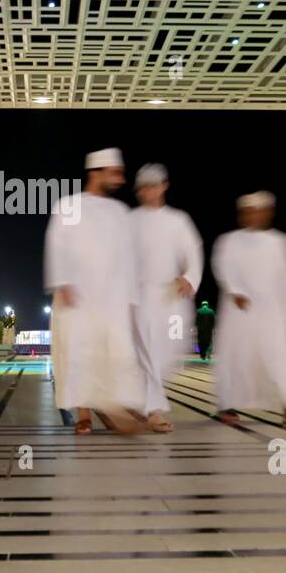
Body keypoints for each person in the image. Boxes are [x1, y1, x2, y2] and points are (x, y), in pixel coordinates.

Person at [44, 148, 154, 435]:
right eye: (114, 173)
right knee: (81, 355)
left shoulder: (120, 212)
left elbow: (130, 257)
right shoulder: (69, 206)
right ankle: (84, 415)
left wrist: (131, 298)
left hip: (113, 300)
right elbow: (57, 246)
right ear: (95, 173)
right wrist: (62, 282)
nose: (120, 179)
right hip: (77, 298)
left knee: (118, 355)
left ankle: (112, 407)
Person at [211, 191, 286, 426]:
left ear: (269, 213)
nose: (255, 216)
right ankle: (225, 405)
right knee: (233, 358)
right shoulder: (229, 241)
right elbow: (222, 266)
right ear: (243, 215)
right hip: (239, 313)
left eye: (260, 211)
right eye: (250, 212)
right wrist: (235, 289)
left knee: (279, 356)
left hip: (273, 313)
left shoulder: (281, 242)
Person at [130, 163, 203, 433]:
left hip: (171, 297)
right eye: (144, 187)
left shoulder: (178, 220)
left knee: (168, 351)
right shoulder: (130, 220)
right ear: (139, 191)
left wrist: (190, 277)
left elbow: (194, 253)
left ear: (164, 187)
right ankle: (154, 409)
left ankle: (143, 403)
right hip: (138, 298)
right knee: (146, 352)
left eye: (154, 185)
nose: (149, 191)